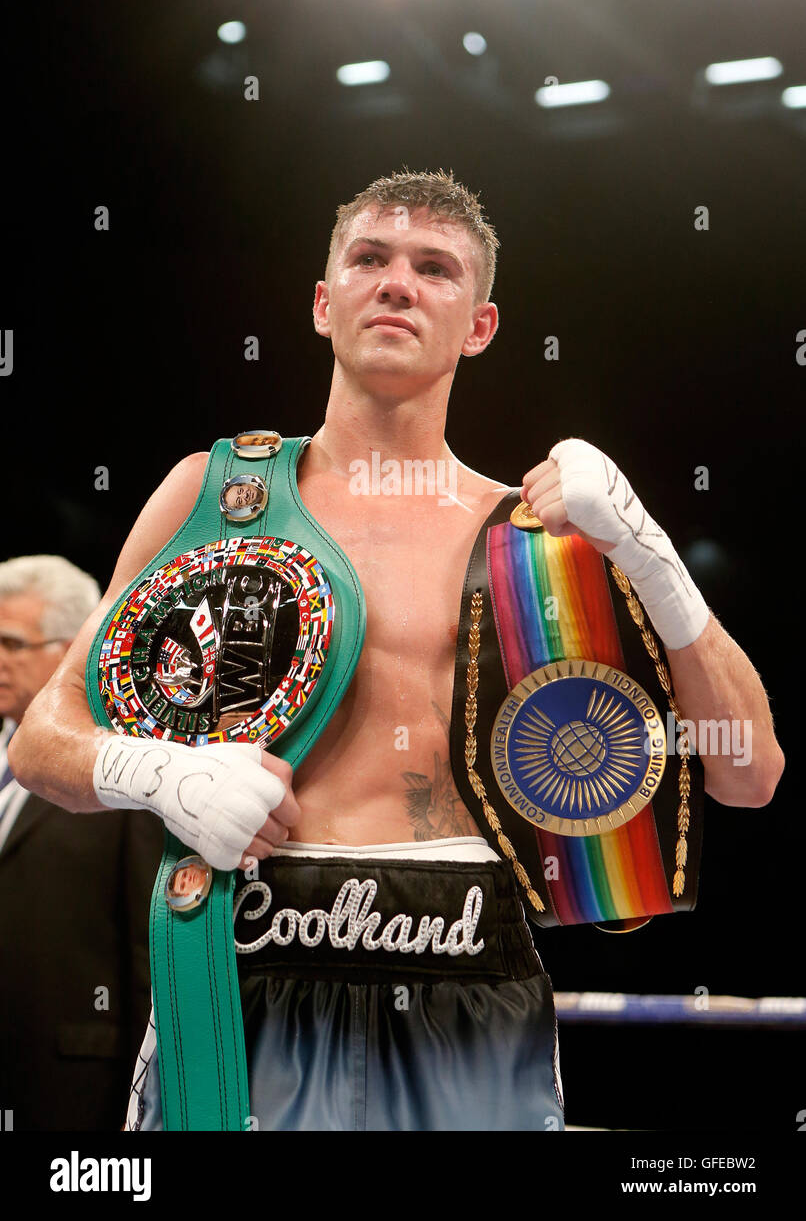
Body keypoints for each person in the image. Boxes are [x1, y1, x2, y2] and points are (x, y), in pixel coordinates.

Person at [9, 170, 785, 1132]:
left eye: (434, 267)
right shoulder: (212, 497)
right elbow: (41, 743)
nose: (398, 283)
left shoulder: (538, 544)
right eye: (369, 258)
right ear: (324, 301)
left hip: (468, 981)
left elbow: (750, 774)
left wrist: (659, 567)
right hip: (246, 962)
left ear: (481, 325)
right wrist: (155, 770)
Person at [0, 555, 163, 1130]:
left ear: (72, 648)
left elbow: (148, 939)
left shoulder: (124, 761)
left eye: (12, 642)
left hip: (80, 1079)